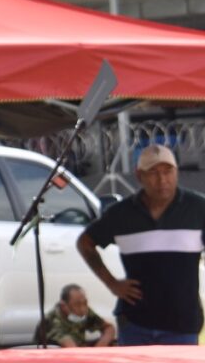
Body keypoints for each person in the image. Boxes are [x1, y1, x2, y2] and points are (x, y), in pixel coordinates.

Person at [77, 144, 205, 345]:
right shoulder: (121, 213)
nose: (162, 180)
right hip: (135, 323)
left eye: (167, 171)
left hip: (183, 324)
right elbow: (85, 242)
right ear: (139, 176)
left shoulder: (198, 209)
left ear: (177, 172)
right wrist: (112, 283)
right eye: (153, 173)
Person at [40, 284, 116, 348]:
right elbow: (72, 349)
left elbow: (109, 328)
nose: (83, 309)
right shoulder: (53, 321)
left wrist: (100, 347)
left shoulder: (84, 310)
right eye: (77, 305)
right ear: (64, 306)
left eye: (85, 303)